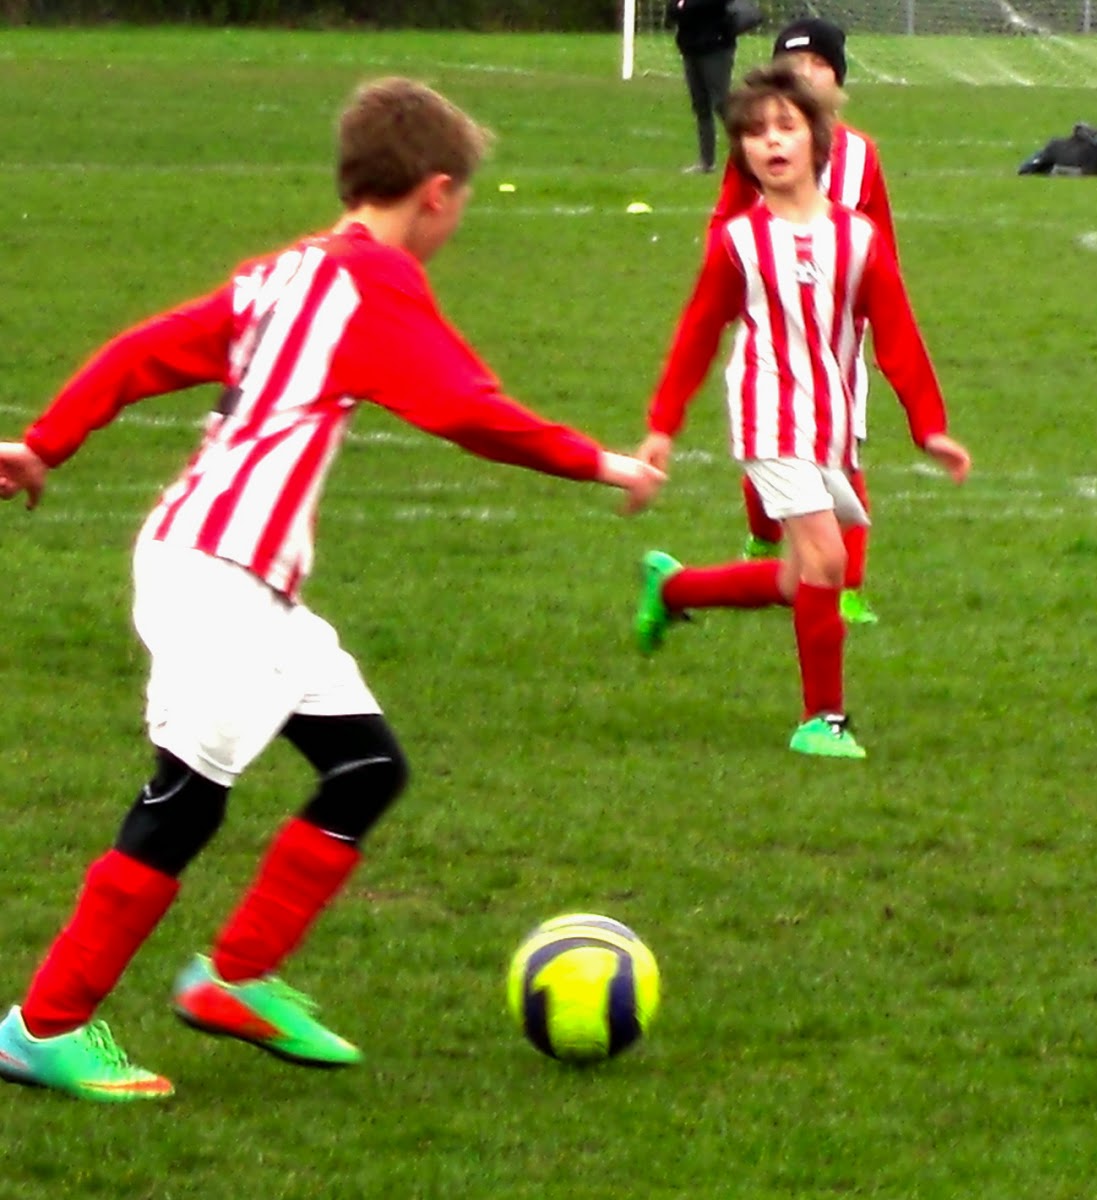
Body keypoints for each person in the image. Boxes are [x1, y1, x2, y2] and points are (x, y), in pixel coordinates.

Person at [0, 77, 664, 1102]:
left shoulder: (281, 275)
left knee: (365, 766)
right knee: (183, 805)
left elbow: (140, 352)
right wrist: (602, 463)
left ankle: (238, 978)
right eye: (461, 203)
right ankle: (44, 1024)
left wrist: (47, 443)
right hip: (215, 574)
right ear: (435, 193)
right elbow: (468, 409)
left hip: (244, 577)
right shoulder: (375, 286)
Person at [632, 63, 971, 760]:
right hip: (768, 414)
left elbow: (898, 335)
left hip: (832, 422)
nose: (771, 142)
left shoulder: (861, 240)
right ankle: (824, 720)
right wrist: (663, 423)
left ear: (818, 140)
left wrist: (929, 425)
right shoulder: (739, 242)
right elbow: (699, 332)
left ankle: (674, 588)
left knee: (797, 579)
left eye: (785, 126)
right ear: (743, 155)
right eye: (755, 133)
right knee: (827, 560)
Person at [708, 17, 895, 626]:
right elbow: (726, 226)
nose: (806, 74)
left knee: (844, 458)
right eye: (794, 65)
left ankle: (847, 589)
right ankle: (763, 538)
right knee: (773, 446)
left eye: (819, 63)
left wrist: (877, 309)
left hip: (839, 337)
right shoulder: (762, 151)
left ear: (837, 78)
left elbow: (880, 245)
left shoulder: (861, 154)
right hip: (772, 331)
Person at [667, 0, 739, 174]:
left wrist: (686, 6)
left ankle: (744, 153)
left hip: (716, 47)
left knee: (722, 103)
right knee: (701, 106)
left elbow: (710, 6)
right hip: (690, 49)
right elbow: (672, 11)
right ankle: (706, 162)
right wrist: (681, 8)